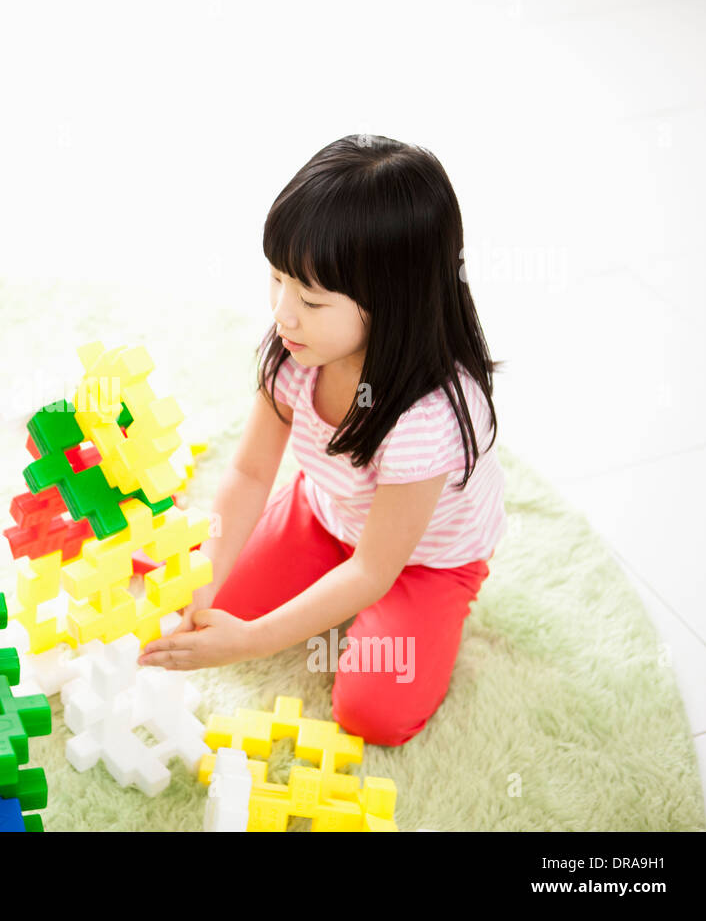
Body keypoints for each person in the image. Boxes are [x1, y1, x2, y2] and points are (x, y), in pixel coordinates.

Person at [139, 135, 507, 747]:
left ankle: (445, 607)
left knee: (372, 714)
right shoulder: (294, 348)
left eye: (310, 298)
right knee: (211, 599)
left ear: (392, 304)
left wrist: (253, 641)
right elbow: (252, 474)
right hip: (326, 513)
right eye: (277, 280)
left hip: (418, 562)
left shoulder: (427, 418)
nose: (284, 312)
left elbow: (372, 570)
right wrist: (203, 575)